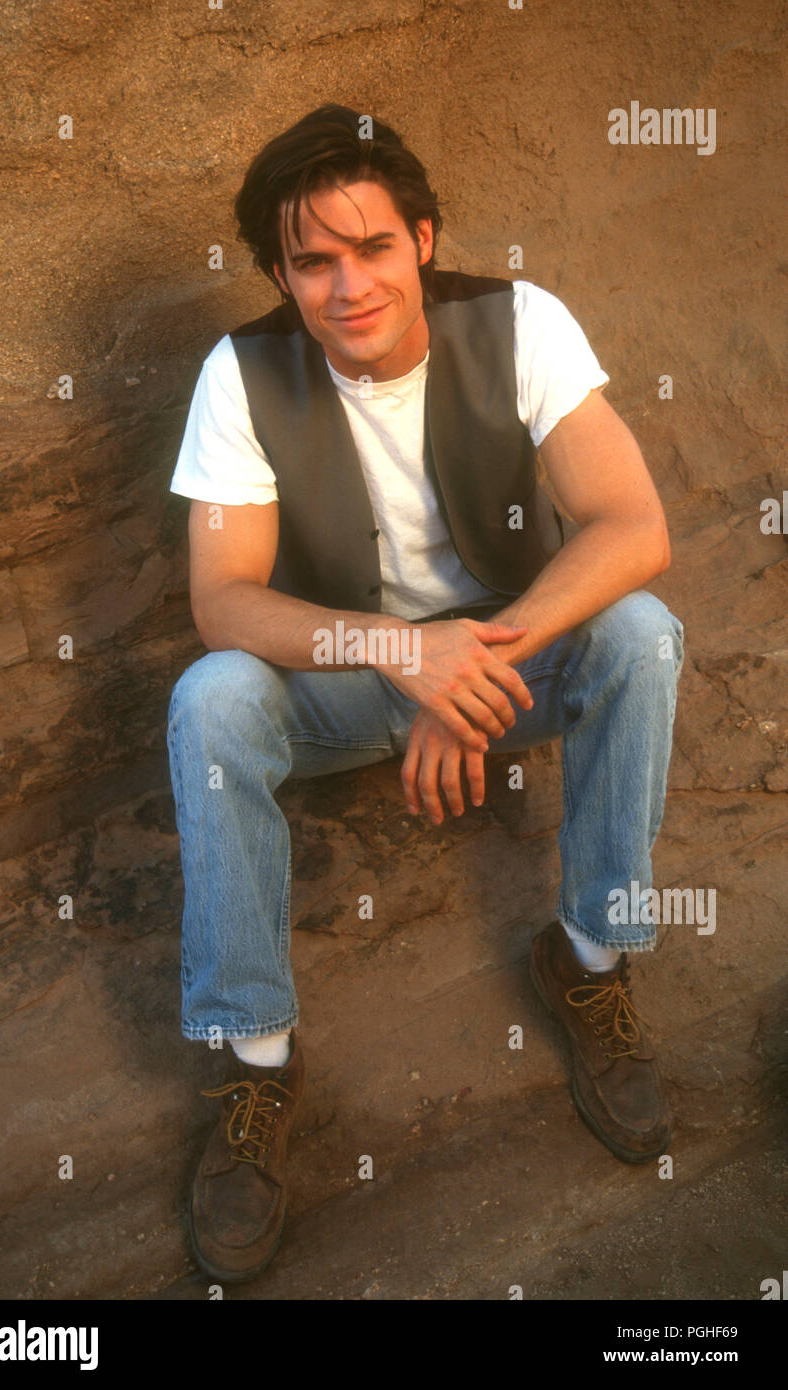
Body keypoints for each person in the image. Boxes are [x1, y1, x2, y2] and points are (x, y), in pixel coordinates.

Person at [166, 103, 684, 1285]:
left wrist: (469, 657)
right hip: (345, 685)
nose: (349, 285)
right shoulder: (238, 375)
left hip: (503, 663)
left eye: (374, 248)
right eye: (313, 261)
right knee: (212, 699)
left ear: (423, 238)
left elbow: (633, 527)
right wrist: (402, 657)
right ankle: (255, 1060)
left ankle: (590, 964)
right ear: (282, 276)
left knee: (642, 636)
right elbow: (226, 603)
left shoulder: (519, 323)